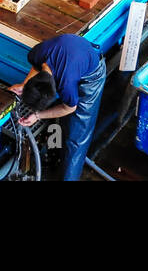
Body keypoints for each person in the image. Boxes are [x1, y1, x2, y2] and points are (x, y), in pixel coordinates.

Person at [12, 33, 106, 182]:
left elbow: (69, 108)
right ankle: (56, 151)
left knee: (76, 137)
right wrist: (24, 85)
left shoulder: (66, 84)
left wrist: (37, 116)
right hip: (75, 51)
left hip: (91, 72)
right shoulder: (36, 54)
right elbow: (37, 66)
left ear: (56, 89)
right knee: (63, 122)